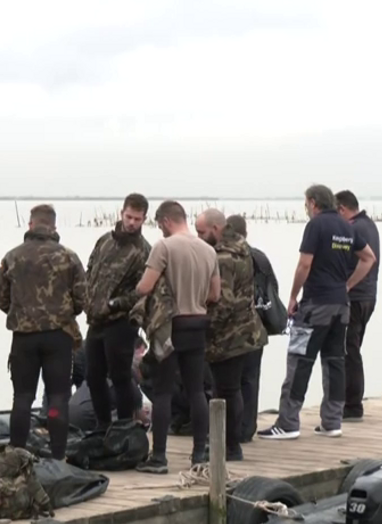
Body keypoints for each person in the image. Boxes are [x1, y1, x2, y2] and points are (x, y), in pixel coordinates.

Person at [257, 185, 376, 440]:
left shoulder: (316, 225)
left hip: (315, 305)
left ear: (313, 203)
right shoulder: (347, 227)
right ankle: (332, 421)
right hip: (341, 306)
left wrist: (292, 296)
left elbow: (305, 263)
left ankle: (288, 422)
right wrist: (347, 285)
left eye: (306, 204)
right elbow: (369, 257)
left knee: (299, 361)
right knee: (334, 362)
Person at [0, 204, 89, 460]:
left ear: (30, 225)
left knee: (22, 397)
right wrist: (63, 313)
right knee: (58, 397)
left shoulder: (12, 256)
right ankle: (58, 456)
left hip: (23, 337)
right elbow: (82, 297)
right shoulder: (69, 256)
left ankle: (16, 454)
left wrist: (21, 313)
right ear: (54, 227)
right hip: (58, 336)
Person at [134, 200, 219, 473]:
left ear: (167, 221)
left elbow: (145, 286)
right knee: (196, 390)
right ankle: (199, 454)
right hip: (198, 325)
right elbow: (214, 295)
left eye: (160, 226)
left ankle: (159, 457)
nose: (161, 232)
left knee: (162, 391)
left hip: (170, 327)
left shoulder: (164, 247)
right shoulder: (208, 250)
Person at [195, 209, 267, 461]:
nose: (199, 237)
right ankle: (230, 442)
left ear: (216, 229)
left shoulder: (224, 258)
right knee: (231, 389)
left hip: (229, 335)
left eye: (201, 232)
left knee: (225, 390)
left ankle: (230, 446)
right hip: (247, 329)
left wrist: (204, 328)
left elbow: (222, 303)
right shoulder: (242, 247)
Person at [84, 193, 152, 433]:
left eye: (137, 218)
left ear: (144, 219)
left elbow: (143, 290)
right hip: (95, 320)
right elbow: (90, 270)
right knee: (93, 375)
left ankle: (125, 426)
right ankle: (102, 425)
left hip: (121, 322)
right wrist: (87, 300)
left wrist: (115, 304)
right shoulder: (104, 241)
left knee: (121, 376)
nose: (132, 222)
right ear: (121, 213)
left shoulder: (143, 250)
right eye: (129, 216)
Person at [225, 214, 279, 444]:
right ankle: (248, 427)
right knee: (251, 379)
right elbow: (272, 288)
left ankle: (232, 429)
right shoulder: (260, 257)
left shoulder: (226, 257)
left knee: (230, 382)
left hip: (234, 329)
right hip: (258, 327)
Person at [335, 190, 380, 422]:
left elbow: (366, 259)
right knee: (353, 348)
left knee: (348, 350)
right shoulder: (369, 225)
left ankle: (352, 405)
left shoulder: (352, 229)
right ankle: (350, 401)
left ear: (342, 209)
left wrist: (346, 285)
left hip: (356, 297)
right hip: (369, 296)